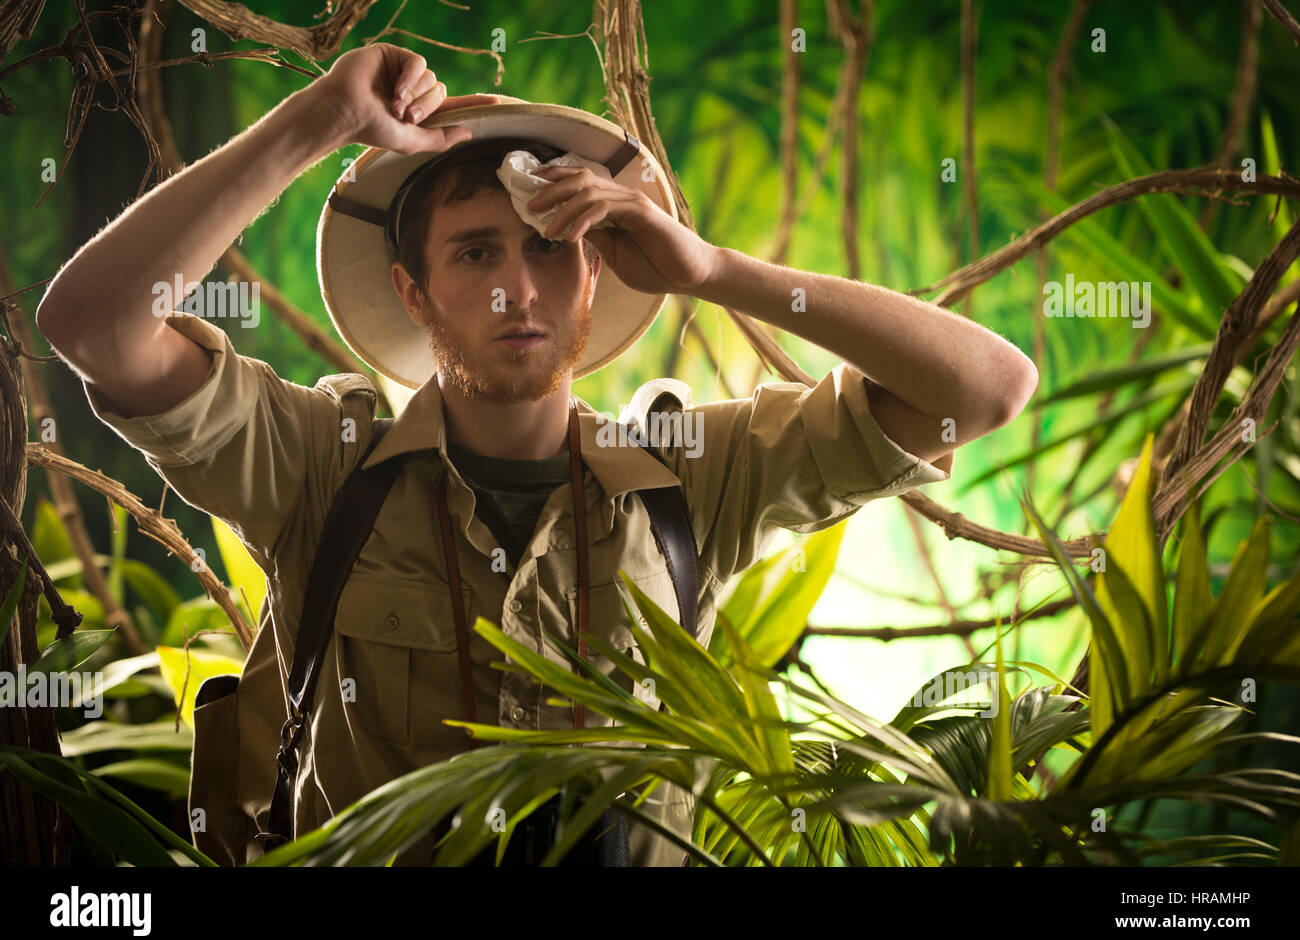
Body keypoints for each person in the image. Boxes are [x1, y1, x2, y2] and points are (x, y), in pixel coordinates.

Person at [36, 43, 1037, 866]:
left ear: (594, 273)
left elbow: (984, 391)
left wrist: (714, 269)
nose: (519, 286)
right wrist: (321, 117)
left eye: (550, 246)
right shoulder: (319, 465)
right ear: (412, 288)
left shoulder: (694, 477)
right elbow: (93, 323)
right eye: (475, 252)